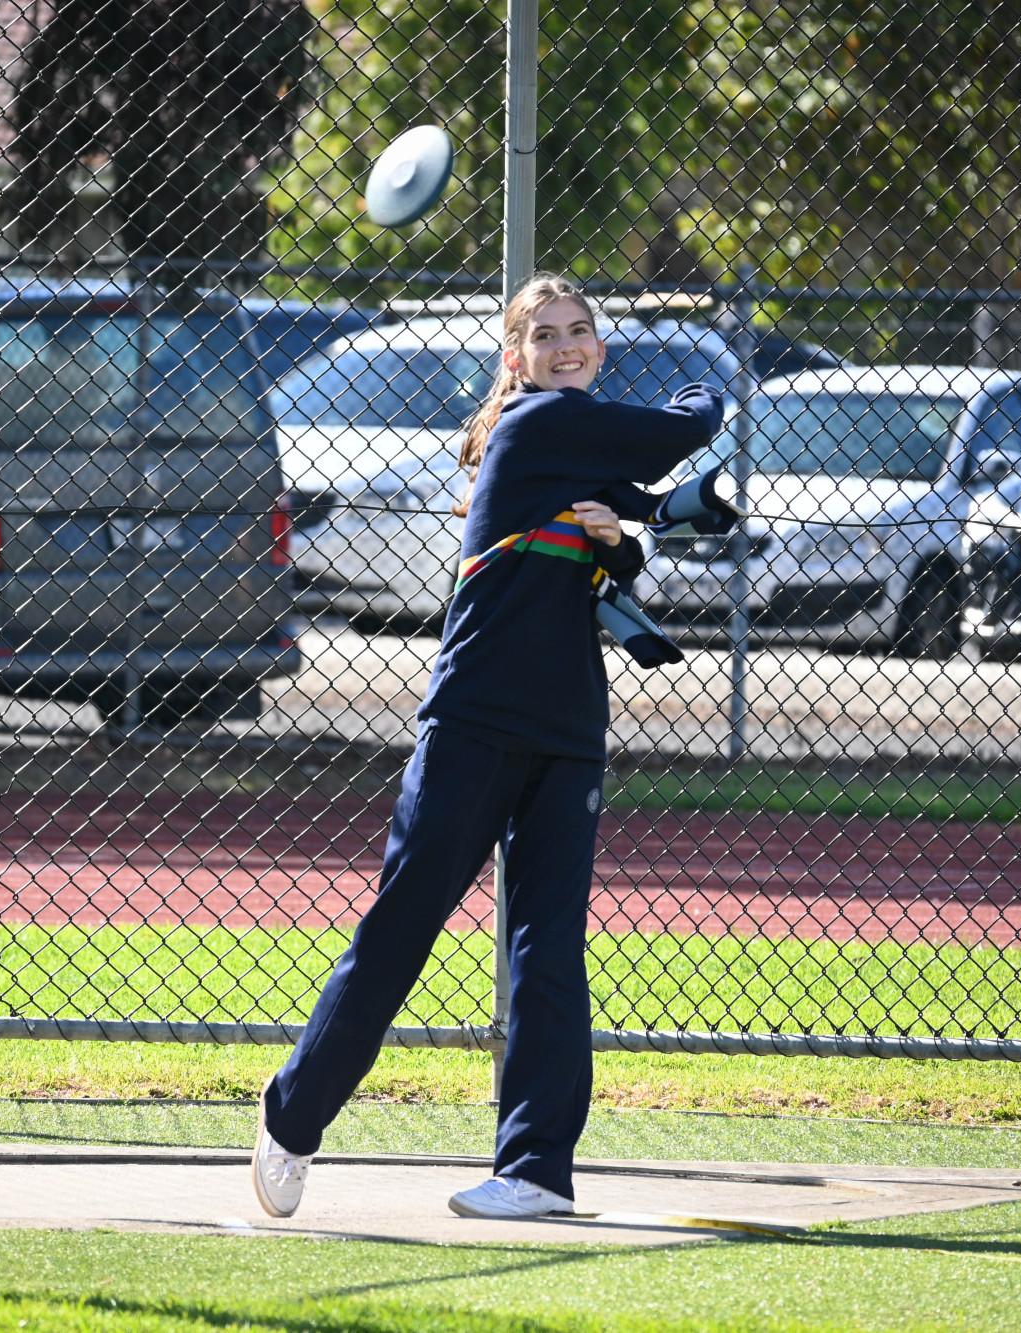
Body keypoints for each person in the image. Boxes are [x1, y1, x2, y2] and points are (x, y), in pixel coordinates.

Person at [253, 272, 728, 1221]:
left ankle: (536, 1171)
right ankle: (293, 1119)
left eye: (580, 331)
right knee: (403, 927)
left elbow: (616, 544)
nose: (566, 345)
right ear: (514, 359)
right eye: (544, 335)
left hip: (567, 730)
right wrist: (707, 392)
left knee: (548, 949)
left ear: (598, 344)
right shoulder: (533, 426)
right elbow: (684, 430)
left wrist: (625, 534)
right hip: (474, 719)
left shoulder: (581, 448)